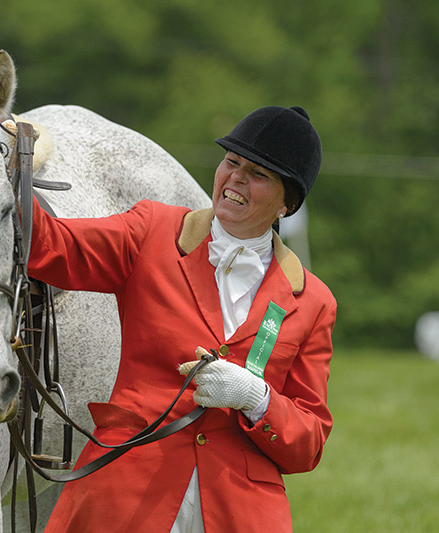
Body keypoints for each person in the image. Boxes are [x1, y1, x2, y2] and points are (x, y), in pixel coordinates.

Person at [28, 105, 336, 532]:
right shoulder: (152, 230)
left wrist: (257, 398)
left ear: (288, 204)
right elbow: (51, 246)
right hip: (128, 492)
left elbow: (308, 443)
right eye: (232, 162)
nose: (236, 178)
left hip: (239, 510)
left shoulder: (313, 301)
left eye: (258, 173)